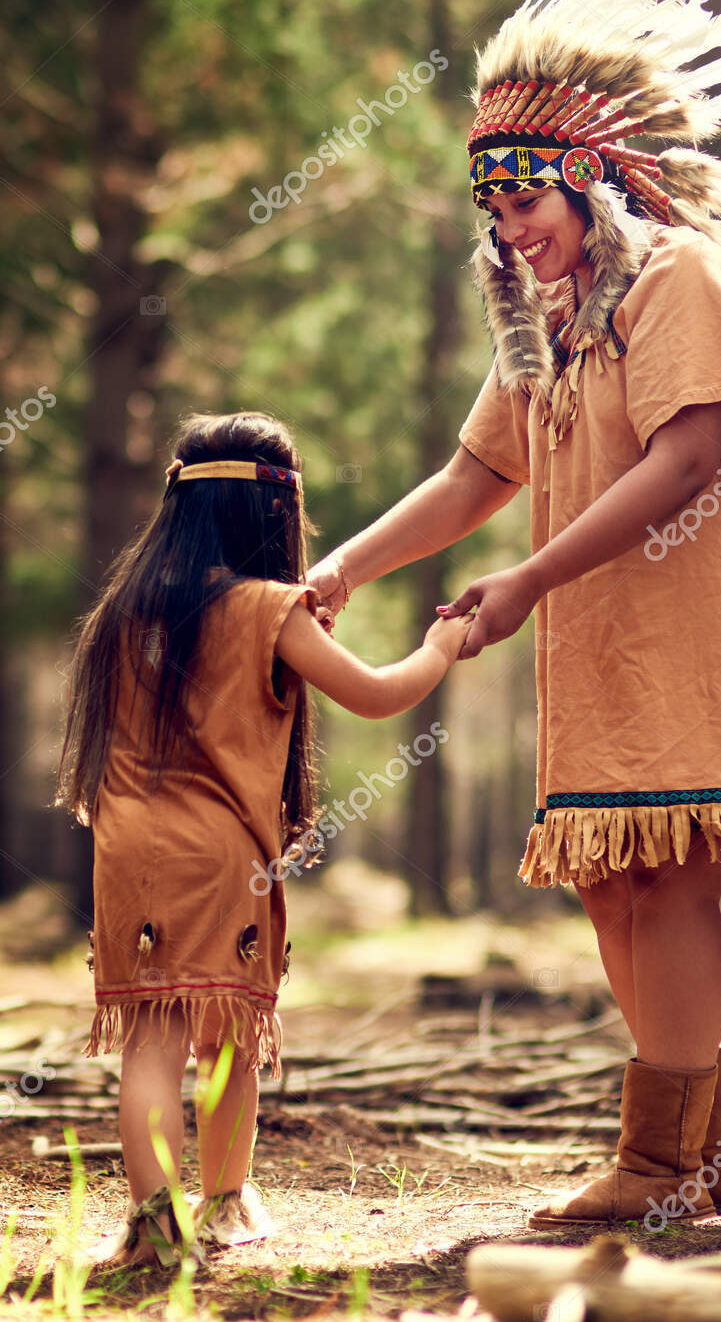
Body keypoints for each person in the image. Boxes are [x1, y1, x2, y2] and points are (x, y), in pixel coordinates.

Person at [309, 0, 721, 1228]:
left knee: (669, 875)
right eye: (490, 204)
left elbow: (687, 459)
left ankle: (659, 1164)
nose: (507, 226)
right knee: (612, 879)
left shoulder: (679, 276)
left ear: (590, 175)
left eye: (522, 197)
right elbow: (479, 472)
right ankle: (710, 1149)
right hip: (612, 629)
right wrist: (346, 569)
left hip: (720, 609)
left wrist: (530, 577)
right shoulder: (547, 315)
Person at [56, 412, 473, 1265]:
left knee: (151, 1035)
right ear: (275, 517)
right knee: (229, 1037)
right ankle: (221, 1204)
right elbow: (379, 692)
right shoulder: (268, 608)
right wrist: (441, 647)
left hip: (126, 849)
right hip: (218, 858)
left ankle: (150, 1225)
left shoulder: (124, 613)